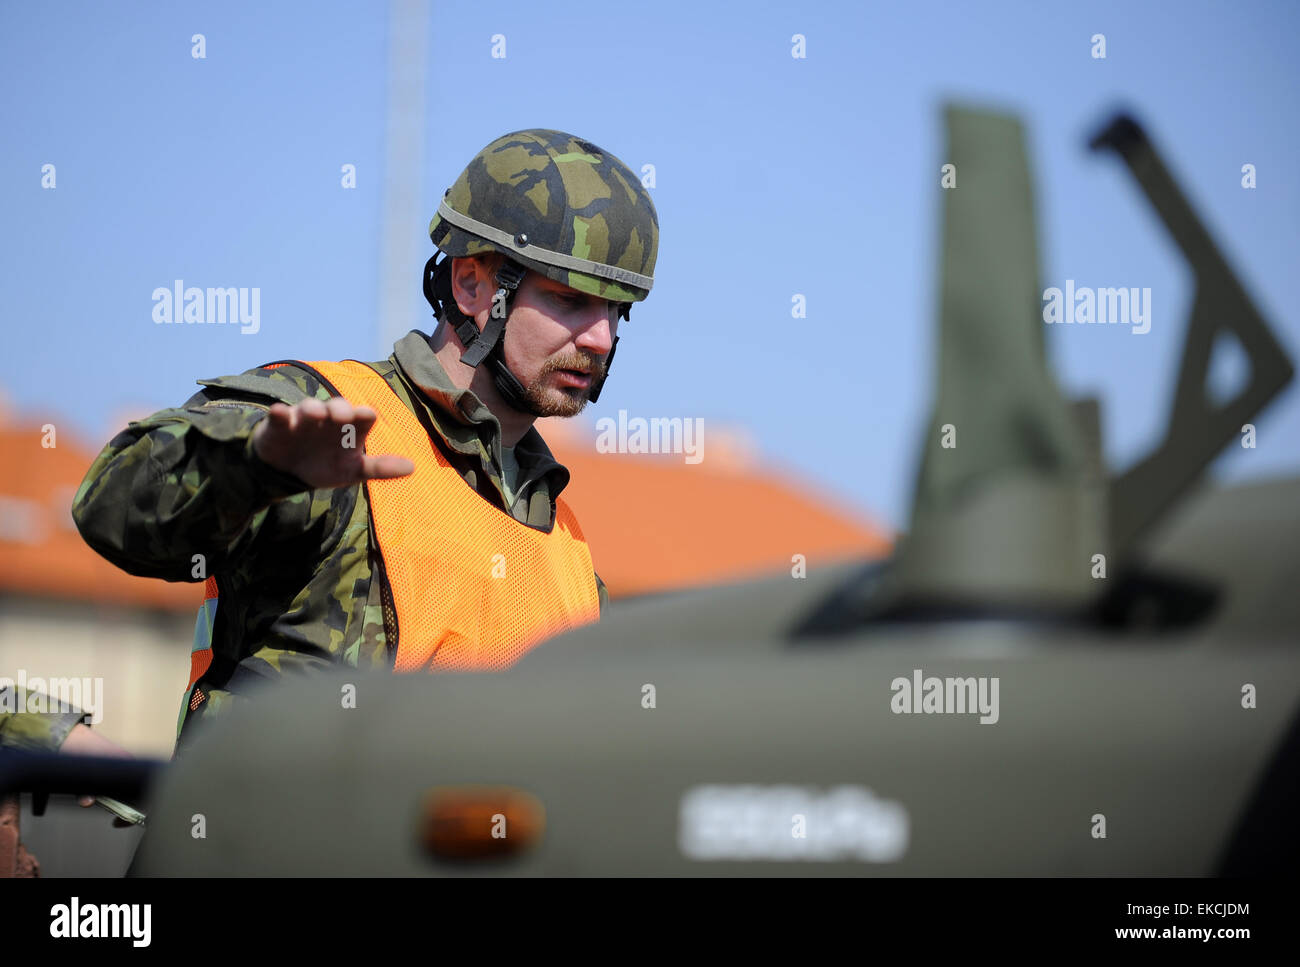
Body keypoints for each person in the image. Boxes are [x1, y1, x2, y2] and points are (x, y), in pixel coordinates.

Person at [1, 128, 658, 760]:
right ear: (471, 284)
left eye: (616, 311)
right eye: (572, 299)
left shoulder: (569, 557)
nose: (600, 337)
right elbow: (110, 506)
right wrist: (254, 469)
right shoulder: (327, 424)